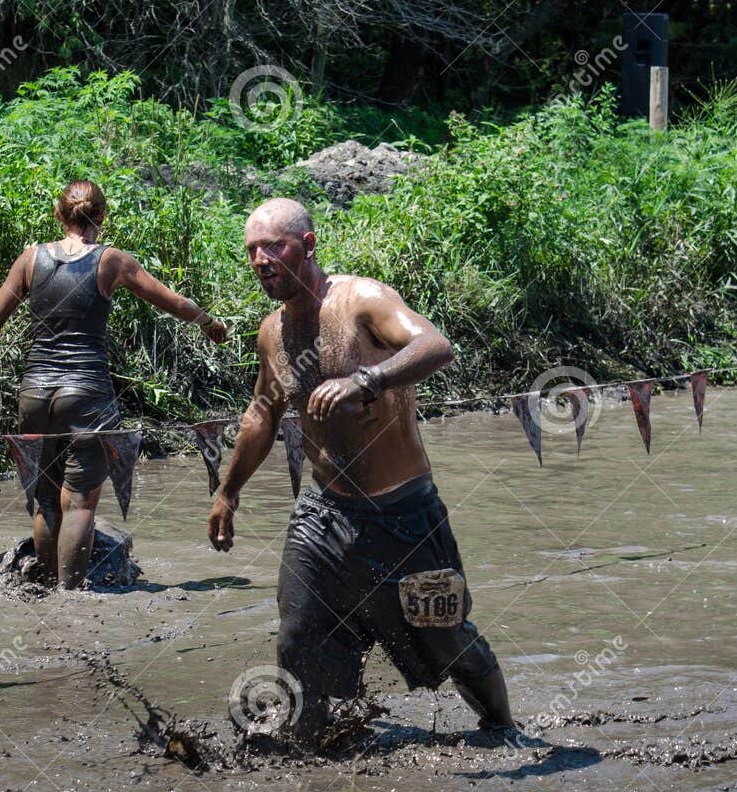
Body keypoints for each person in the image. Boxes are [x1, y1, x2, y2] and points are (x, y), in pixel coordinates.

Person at [207, 197, 511, 744]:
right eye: (252, 250)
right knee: (300, 636)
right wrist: (227, 493)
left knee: (445, 638)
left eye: (273, 246)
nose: (260, 259)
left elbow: (436, 345)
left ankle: (502, 728)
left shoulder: (361, 301)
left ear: (308, 244)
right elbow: (262, 412)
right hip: (322, 512)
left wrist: (368, 380)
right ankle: (321, 750)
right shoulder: (272, 333)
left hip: (403, 510)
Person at [0, 180, 227, 589]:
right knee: (80, 500)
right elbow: (174, 302)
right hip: (86, 393)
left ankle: (43, 585)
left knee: (47, 496)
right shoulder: (112, 261)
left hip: (34, 392)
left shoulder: (30, 259)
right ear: (102, 216)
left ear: (57, 213)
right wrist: (209, 324)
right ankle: (71, 598)